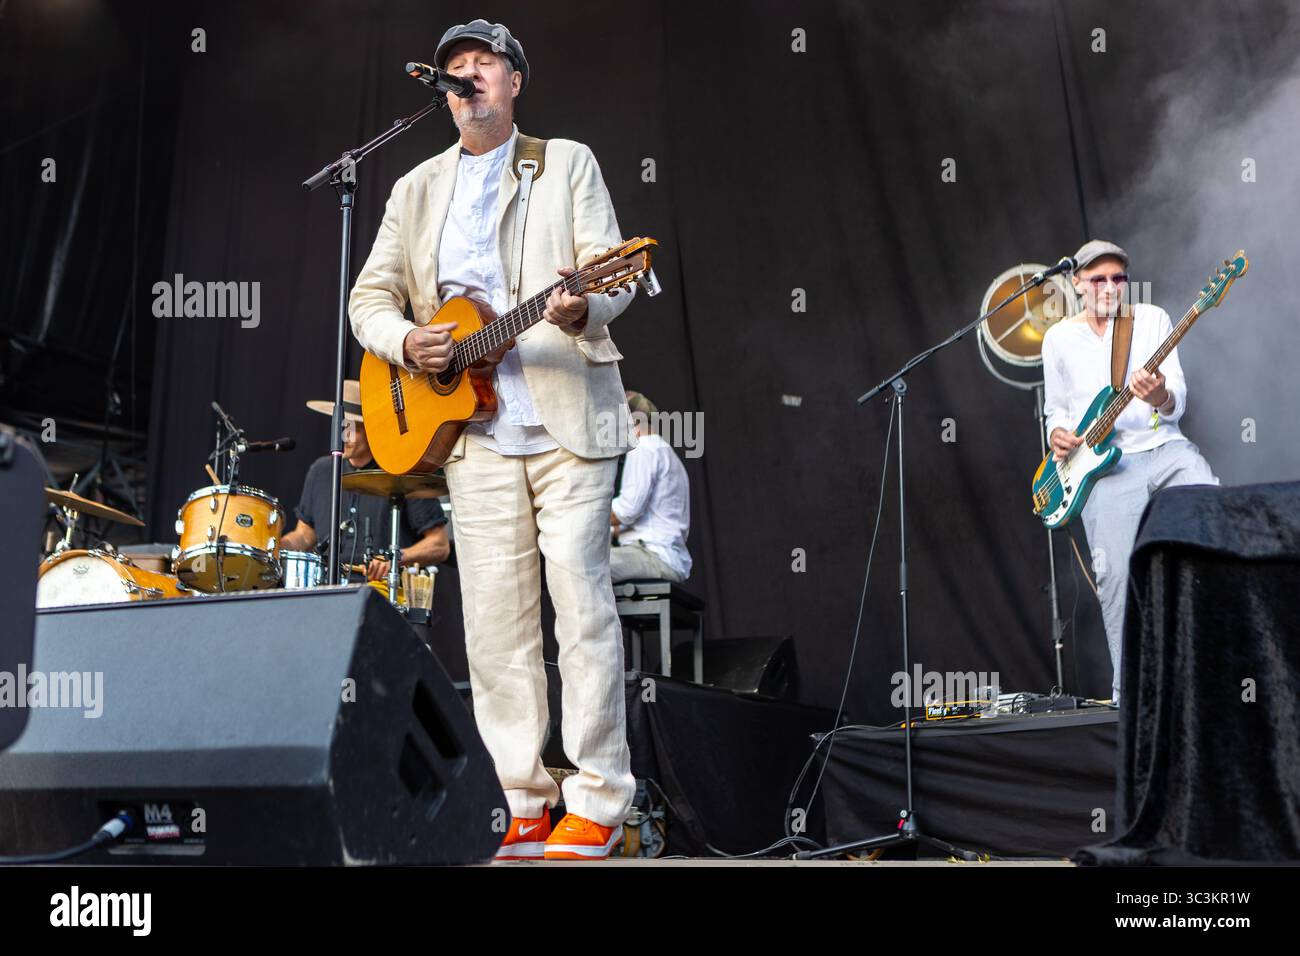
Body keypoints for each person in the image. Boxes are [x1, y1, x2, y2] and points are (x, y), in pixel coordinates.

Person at [348, 19, 639, 860]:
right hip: (469, 434)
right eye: (453, 71)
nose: (466, 78)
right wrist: (408, 343)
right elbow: (370, 300)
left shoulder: (566, 161)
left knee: (581, 609)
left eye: (482, 65)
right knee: (495, 626)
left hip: (565, 420)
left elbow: (610, 267)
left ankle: (598, 798)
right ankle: (518, 795)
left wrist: (587, 306)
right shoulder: (414, 187)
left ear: (514, 81)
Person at [1041, 240, 1218, 705]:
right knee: (1116, 577)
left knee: (1218, 519)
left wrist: (1157, 393)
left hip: (1163, 449)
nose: (1110, 287)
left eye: (1118, 278)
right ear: (1076, 283)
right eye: (1098, 279)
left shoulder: (1152, 319)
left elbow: (1176, 401)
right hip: (1104, 472)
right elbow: (1055, 411)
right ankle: (1129, 699)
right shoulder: (1057, 338)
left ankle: (1223, 671)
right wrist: (1058, 434)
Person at [279, 379, 449, 581]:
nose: (345, 435)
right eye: (342, 426)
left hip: (381, 592)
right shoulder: (321, 471)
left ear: (373, 429)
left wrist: (394, 559)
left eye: (353, 427)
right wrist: (275, 546)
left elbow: (440, 544)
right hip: (326, 588)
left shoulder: (401, 472)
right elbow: (305, 536)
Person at [610, 391, 691, 583]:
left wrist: (587, 513)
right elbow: (648, 518)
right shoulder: (665, 451)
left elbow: (628, 511)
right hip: (668, 556)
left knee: (581, 567)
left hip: (653, 554)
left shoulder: (643, 447)